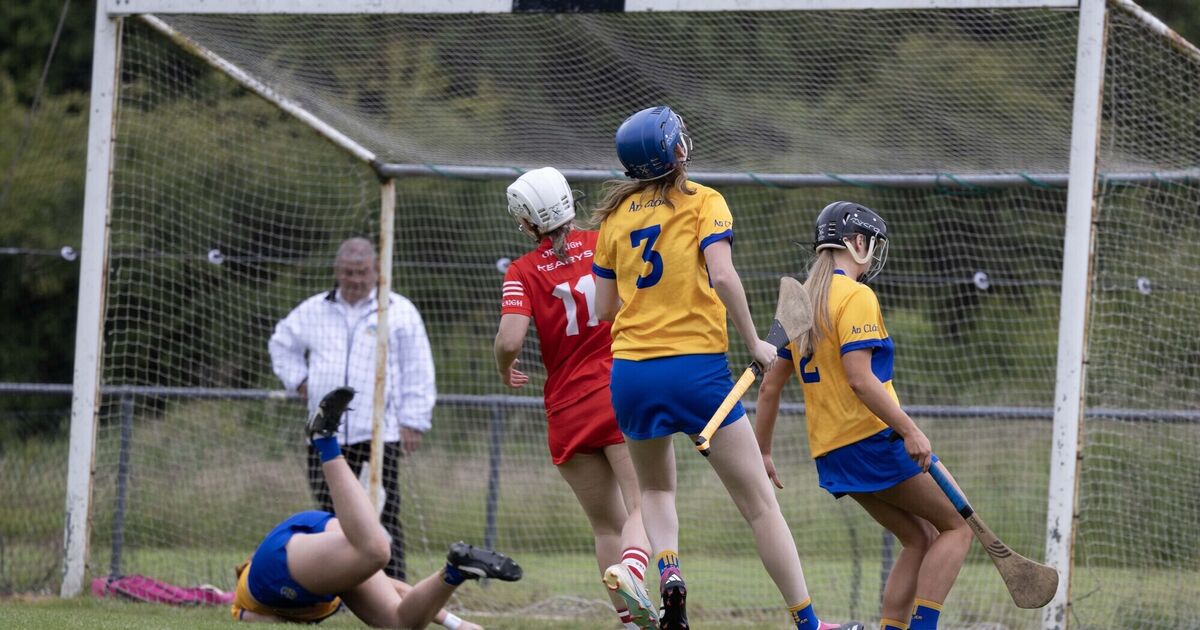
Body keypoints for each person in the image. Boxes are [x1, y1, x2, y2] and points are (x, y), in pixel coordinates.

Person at [590, 105, 863, 630]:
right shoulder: (704, 202)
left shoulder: (612, 220)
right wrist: (756, 342)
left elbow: (604, 310)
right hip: (697, 373)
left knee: (654, 491)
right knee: (760, 506)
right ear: (677, 151)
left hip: (630, 375)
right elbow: (724, 276)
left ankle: (669, 574)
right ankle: (809, 624)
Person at [754, 202, 974, 630]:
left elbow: (769, 386)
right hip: (873, 441)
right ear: (856, 244)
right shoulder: (856, 296)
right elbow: (860, 379)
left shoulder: (798, 302)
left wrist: (763, 452)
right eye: (869, 244)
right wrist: (909, 430)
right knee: (957, 528)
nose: (871, 254)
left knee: (918, 538)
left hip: (833, 454)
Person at [494, 167, 656, 629]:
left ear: (526, 223)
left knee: (606, 525)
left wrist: (506, 369)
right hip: (617, 393)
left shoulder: (521, 272)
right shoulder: (606, 239)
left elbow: (509, 341)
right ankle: (635, 570)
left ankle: (628, 621)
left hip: (566, 410)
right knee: (644, 506)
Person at [232, 386, 521, 629]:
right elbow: (398, 588)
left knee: (377, 551)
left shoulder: (251, 591)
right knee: (401, 622)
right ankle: (455, 571)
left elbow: (249, 616)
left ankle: (325, 440)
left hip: (280, 557)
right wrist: (456, 624)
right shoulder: (336, 578)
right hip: (307, 550)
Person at [269, 237, 436, 581]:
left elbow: (418, 367)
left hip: (377, 436)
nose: (356, 279)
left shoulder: (399, 310)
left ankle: (393, 590)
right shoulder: (313, 310)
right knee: (330, 518)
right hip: (323, 437)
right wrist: (300, 381)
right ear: (337, 272)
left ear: (376, 271)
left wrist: (413, 421)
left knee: (381, 514)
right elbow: (281, 343)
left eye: (362, 272)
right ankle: (340, 590)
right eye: (348, 272)